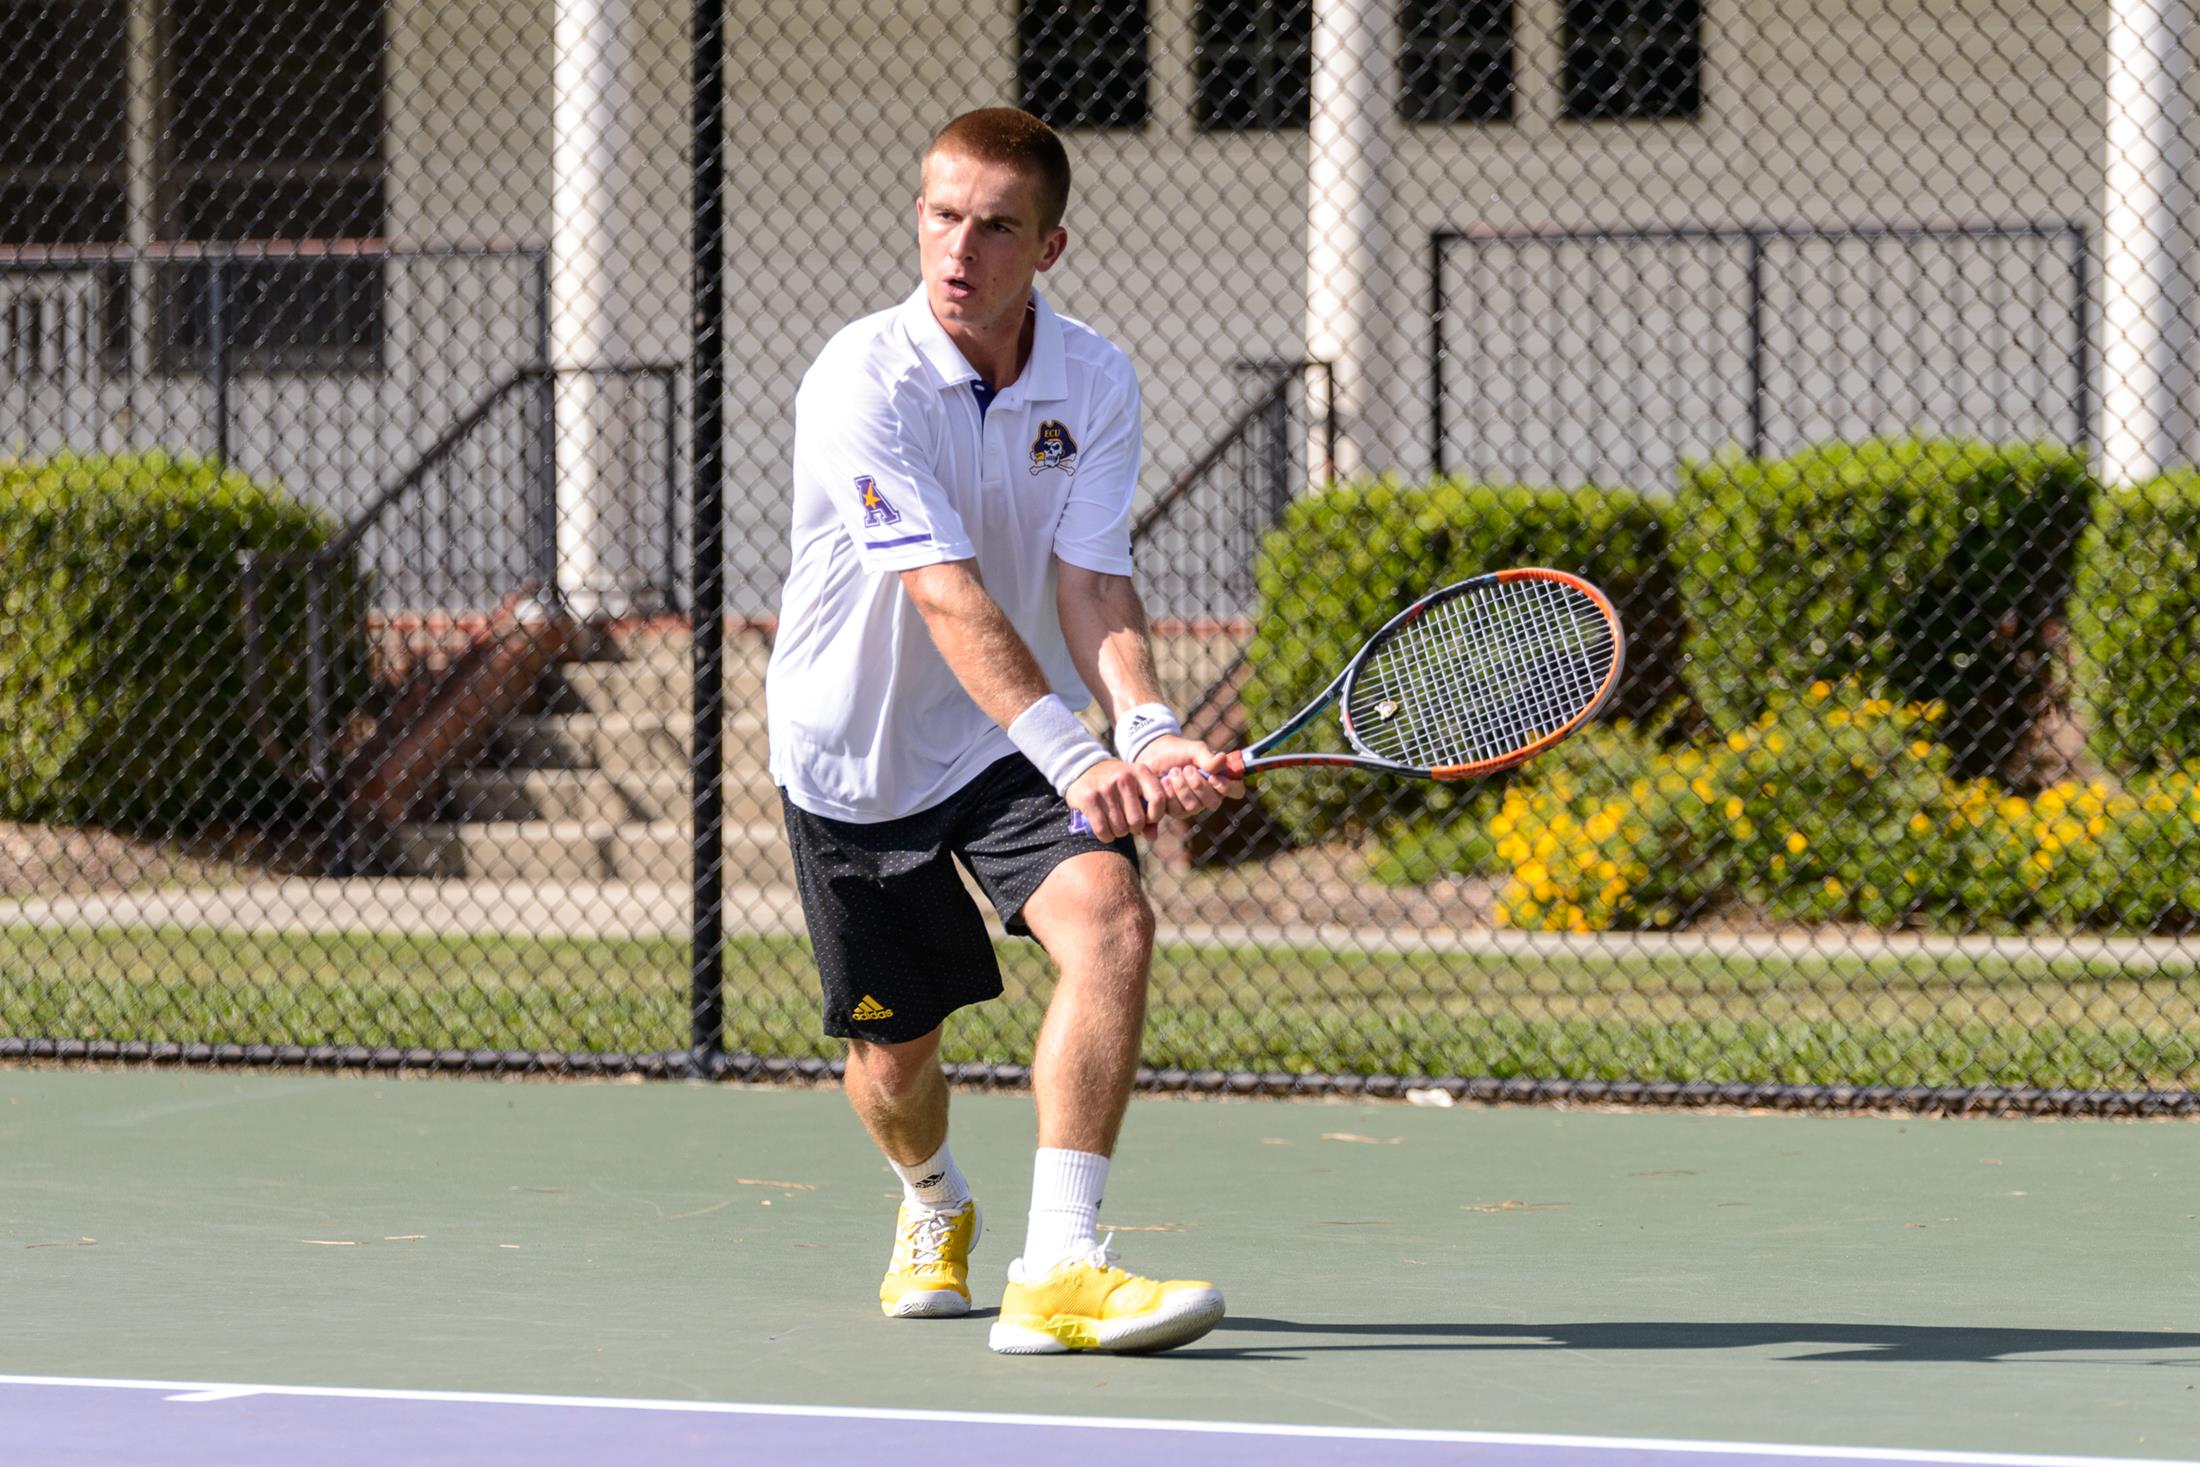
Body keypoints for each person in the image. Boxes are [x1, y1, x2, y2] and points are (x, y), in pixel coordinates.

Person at [763, 106, 1245, 1356]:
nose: (959, 248)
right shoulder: (858, 378)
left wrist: (1144, 723)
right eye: (940, 215)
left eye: (994, 226)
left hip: (996, 747)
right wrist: (1087, 756)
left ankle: (1062, 1268)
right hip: (852, 759)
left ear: (1050, 247)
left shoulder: (1093, 377)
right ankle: (934, 1201)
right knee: (895, 1063)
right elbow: (945, 592)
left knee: (1112, 919)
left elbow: (1091, 581)